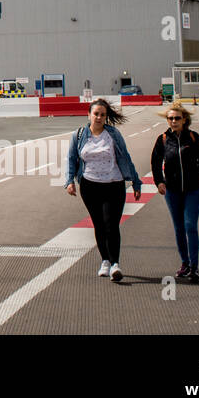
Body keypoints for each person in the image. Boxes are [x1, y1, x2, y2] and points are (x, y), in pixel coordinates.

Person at [65, 98, 142, 282]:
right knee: (98, 224)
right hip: (89, 185)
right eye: (96, 114)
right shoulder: (79, 135)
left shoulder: (113, 134)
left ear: (106, 117)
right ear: (89, 115)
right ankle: (105, 261)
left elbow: (126, 157)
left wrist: (136, 182)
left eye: (102, 115)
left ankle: (115, 264)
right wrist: (69, 181)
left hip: (113, 184)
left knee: (110, 224)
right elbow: (72, 158)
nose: (99, 117)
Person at [151, 101, 199, 283]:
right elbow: (155, 162)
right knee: (178, 228)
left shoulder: (193, 137)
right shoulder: (162, 139)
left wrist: (196, 178)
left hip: (192, 190)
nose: (173, 121)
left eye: (177, 118)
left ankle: (194, 266)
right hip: (172, 191)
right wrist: (159, 182)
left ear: (184, 119)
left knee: (190, 225)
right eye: (170, 118)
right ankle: (184, 263)